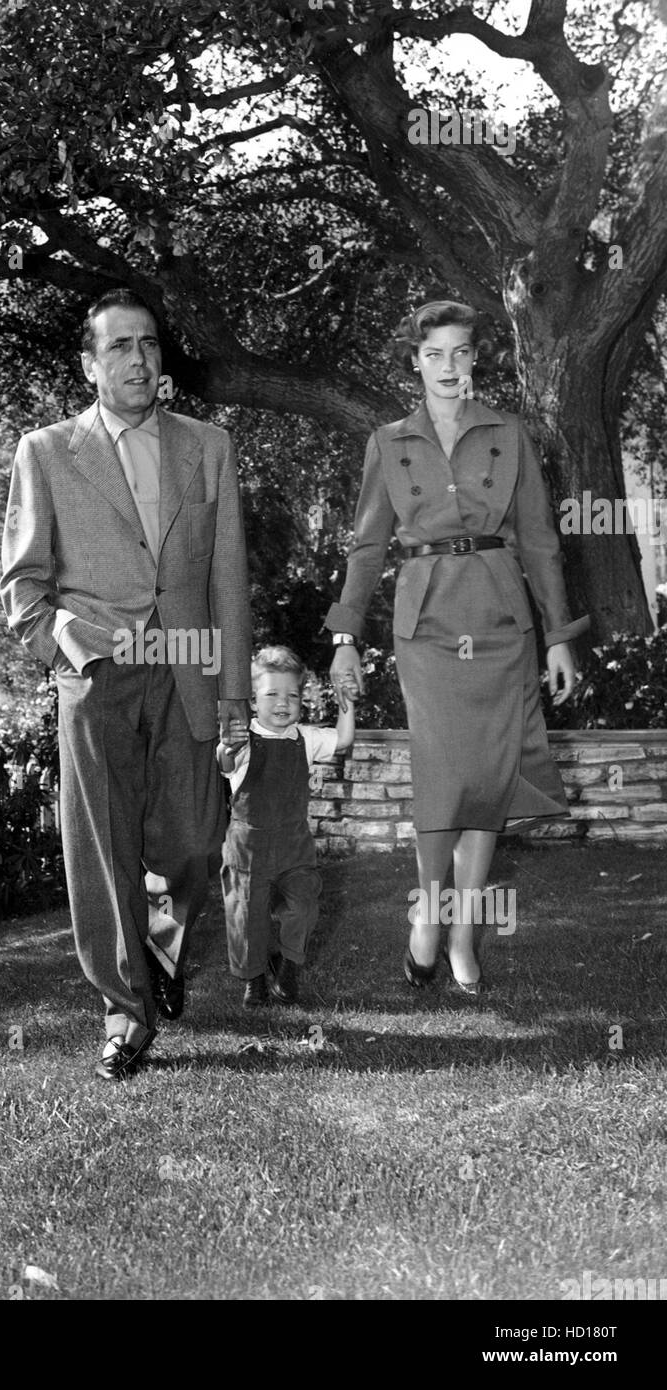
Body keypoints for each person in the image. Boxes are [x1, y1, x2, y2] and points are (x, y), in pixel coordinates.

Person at [0, 288, 252, 1080]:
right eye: (119, 347)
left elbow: (229, 582)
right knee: (103, 851)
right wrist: (69, 644)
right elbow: (22, 584)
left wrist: (237, 697)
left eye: (148, 344)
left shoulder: (208, 446)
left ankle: (167, 948)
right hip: (97, 677)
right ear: (89, 364)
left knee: (191, 838)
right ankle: (125, 1011)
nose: (138, 360)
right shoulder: (44, 452)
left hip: (190, 667)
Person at [325, 300, 589, 994]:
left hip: (504, 624)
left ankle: (465, 934)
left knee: (489, 782)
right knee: (444, 777)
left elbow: (539, 540)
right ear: (415, 360)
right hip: (429, 627)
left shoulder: (512, 435)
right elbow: (367, 543)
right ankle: (427, 918)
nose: (449, 366)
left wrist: (560, 638)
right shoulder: (387, 442)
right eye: (434, 353)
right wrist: (345, 636)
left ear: (476, 358)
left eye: (461, 352)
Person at [218, 645, 356, 1009]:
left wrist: (347, 703)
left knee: (304, 908)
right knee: (247, 917)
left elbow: (342, 740)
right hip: (249, 849)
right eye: (272, 694)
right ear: (252, 700)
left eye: (292, 694)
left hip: (295, 848)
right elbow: (226, 761)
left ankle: (289, 965)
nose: (283, 702)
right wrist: (227, 747)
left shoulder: (305, 737)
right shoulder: (243, 738)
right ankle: (254, 980)